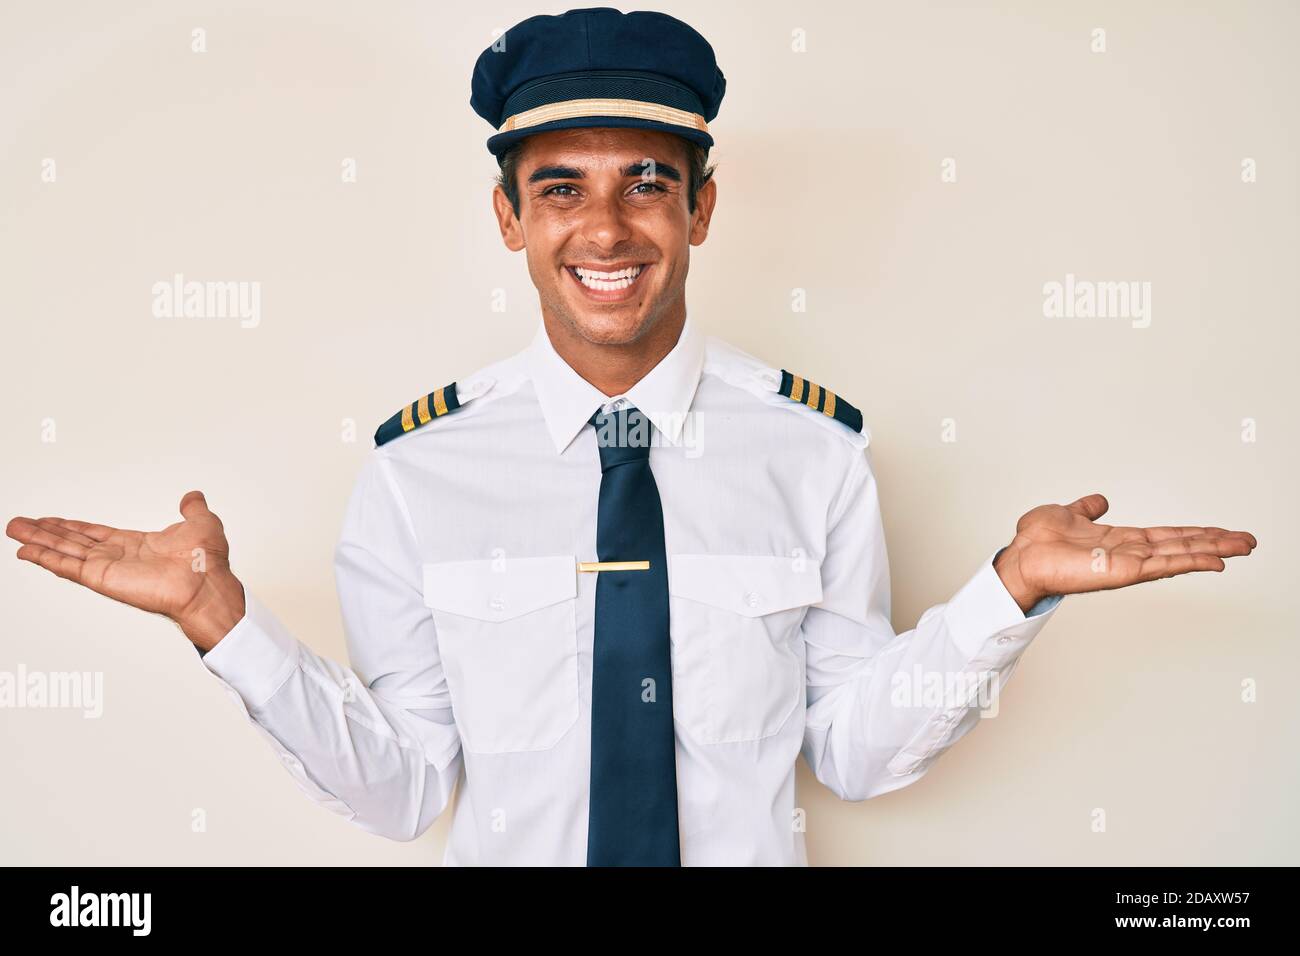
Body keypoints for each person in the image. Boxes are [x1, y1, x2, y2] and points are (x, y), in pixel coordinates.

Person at [5, 8, 1256, 866]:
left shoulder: (811, 451)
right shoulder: (416, 470)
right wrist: (222, 621)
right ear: (508, 217)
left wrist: (1008, 592)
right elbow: (404, 791)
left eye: (646, 181)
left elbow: (855, 755)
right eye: (561, 188)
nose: (606, 229)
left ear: (702, 207)